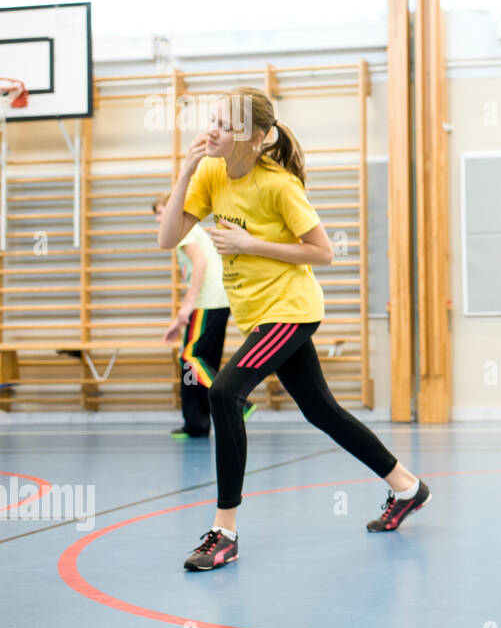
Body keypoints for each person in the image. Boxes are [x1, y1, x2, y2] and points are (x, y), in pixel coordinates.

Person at [158, 87, 429, 571]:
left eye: (226, 124)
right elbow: (168, 239)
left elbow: (323, 252)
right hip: (260, 315)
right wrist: (184, 172)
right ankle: (408, 487)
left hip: (291, 310)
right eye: (213, 121)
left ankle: (225, 533)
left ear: (256, 138)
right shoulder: (211, 173)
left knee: (223, 393)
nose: (213, 130)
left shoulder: (278, 185)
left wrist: (250, 242)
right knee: (322, 410)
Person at [153, 194, 255, 438]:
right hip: (218, 300)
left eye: (162, 212)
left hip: (207, 301)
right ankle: (196, 423)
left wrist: (187, 308)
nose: (159, 219)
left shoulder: (182, 230)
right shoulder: (193, 230)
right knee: (200, 363)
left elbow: (199, 264)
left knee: (191, 357)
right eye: (157, 214)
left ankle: (237, 401)